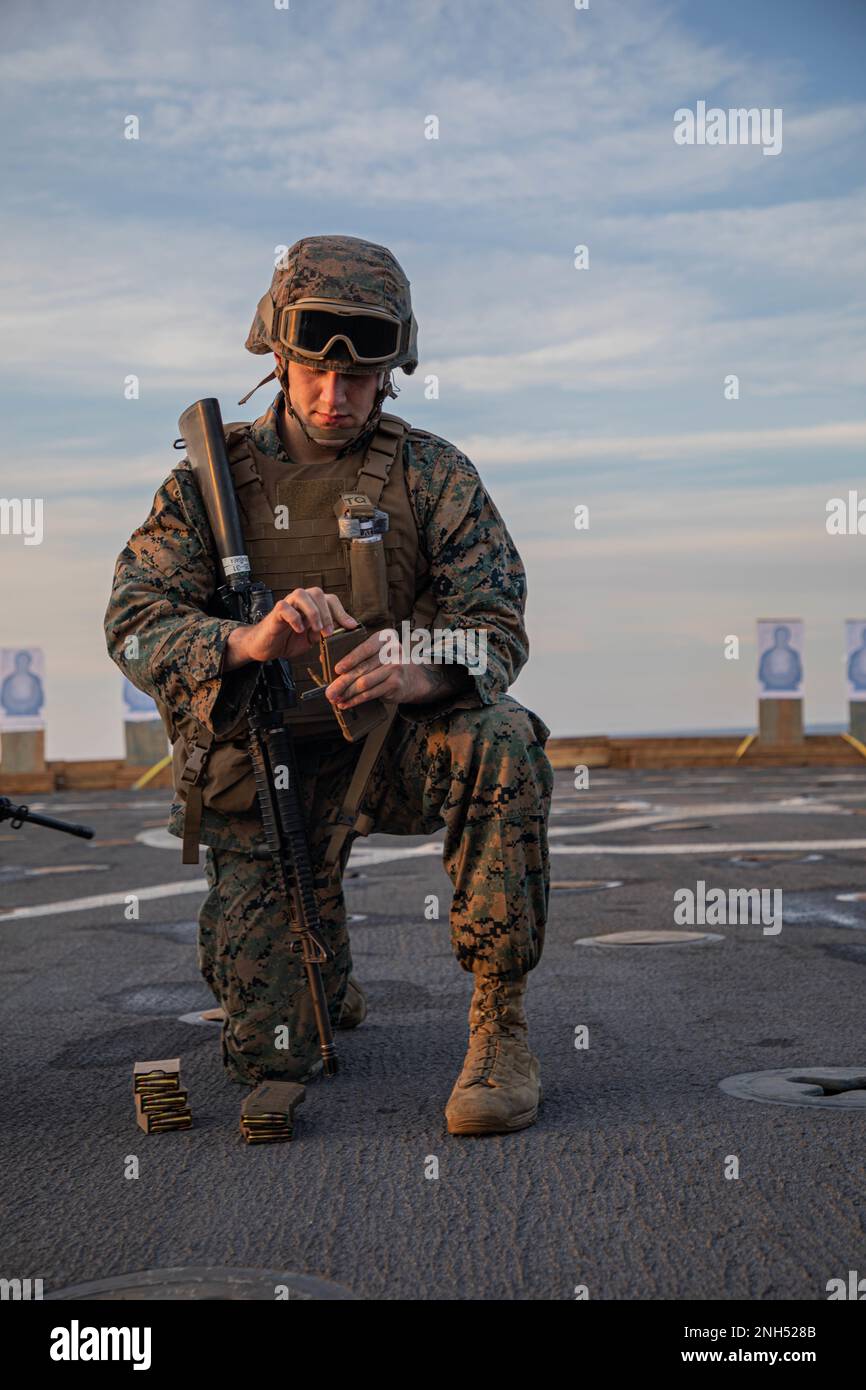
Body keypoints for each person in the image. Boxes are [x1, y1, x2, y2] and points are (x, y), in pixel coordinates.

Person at [104, 235, 554, 1135]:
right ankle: (312, 963)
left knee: (500, 738)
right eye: (315, 370)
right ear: (277, 354)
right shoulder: (206, 483)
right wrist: (243, 641)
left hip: (390, 751)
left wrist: (421, 669)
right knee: (276, 1053)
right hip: (262, 765)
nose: (336, 395)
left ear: (394, 367)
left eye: (362, 376)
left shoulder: (432, 476)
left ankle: (500, 1029)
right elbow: (134, 618)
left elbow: (499, 626)